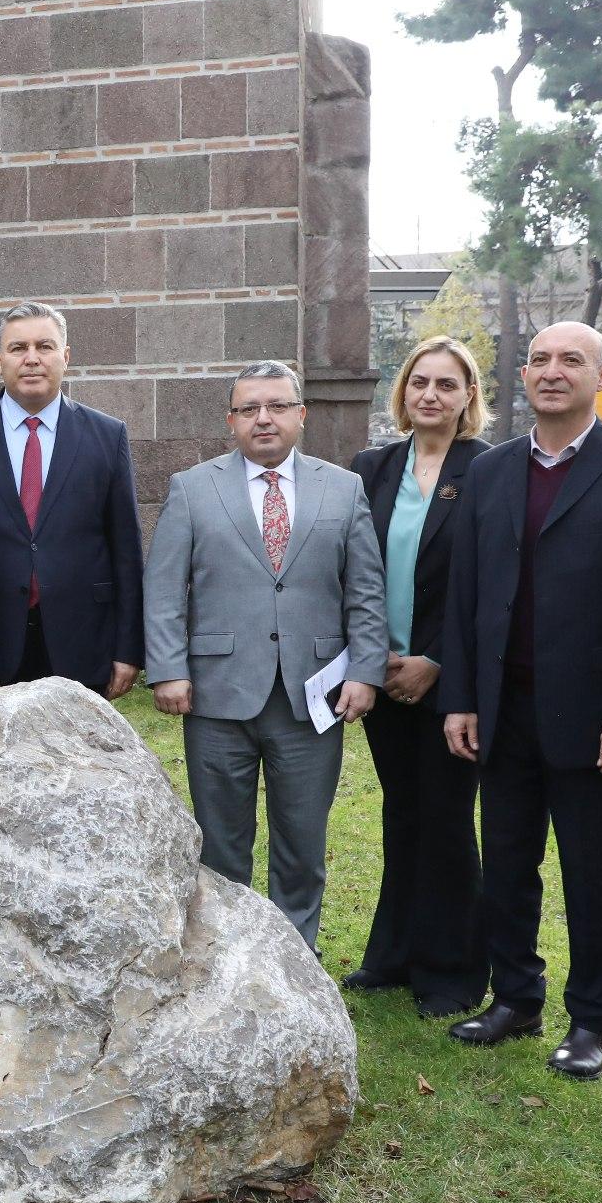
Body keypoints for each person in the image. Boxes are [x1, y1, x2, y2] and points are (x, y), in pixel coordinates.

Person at [442, 322, 602, 1080]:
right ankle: (515, 996)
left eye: (571, 361)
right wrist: (462, 697)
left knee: (593, 870)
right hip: (502, 707)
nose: (553, 372)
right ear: (522, 374)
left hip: (593, 716)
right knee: (508, 861)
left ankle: (592, 1021)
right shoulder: (491, 470)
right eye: (541, 360)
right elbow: (465, 594)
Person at [144, 360, 386, 949]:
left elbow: (366, 591)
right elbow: (164, 588)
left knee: (301, 842)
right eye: (250, 408)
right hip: (215, 695)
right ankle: (229, 964)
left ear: (301, 415)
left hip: (314, 696)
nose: (264, 418)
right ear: (232, 421)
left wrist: (367, 671)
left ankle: (295, 961)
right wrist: (168, 669)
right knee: (222, 844)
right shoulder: (192, 488)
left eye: (277, 405)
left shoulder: (343, 487)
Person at [345, 338, 493, 1016]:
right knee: (402, 813)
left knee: (445, 819)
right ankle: (393, 956)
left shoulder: (490, 470)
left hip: (451, 678)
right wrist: (374, 660)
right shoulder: (372, 469)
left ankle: (452, 971)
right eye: (419, 383)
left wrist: (436, 660)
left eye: (446, 384)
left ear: (469, 397)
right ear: (403, 393)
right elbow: (356, 572)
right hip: (384, 674)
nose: (430, 395)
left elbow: (487, 585)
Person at [0, 301, 146, 701]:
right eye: (18, 349)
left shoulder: (106, 435)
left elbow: (126, 549)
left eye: (44, 347)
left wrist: (128, 647)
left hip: (81, 639)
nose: (32, 359)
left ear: (65, 357)